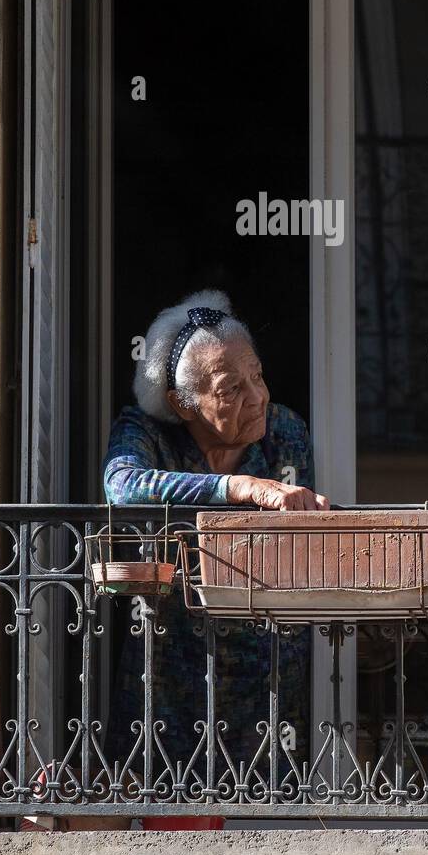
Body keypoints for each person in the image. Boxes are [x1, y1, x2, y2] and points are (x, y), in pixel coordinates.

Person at [101, 288, 328, 810]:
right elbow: (122, 485)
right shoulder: (146, 430)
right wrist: (238, 488)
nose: (257, 397)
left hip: (266, 658)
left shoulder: (285, 433)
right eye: (231, 388)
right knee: (162, 803)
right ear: (185, 402)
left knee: (263, 811)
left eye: (259, 376)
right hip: (171, 658)